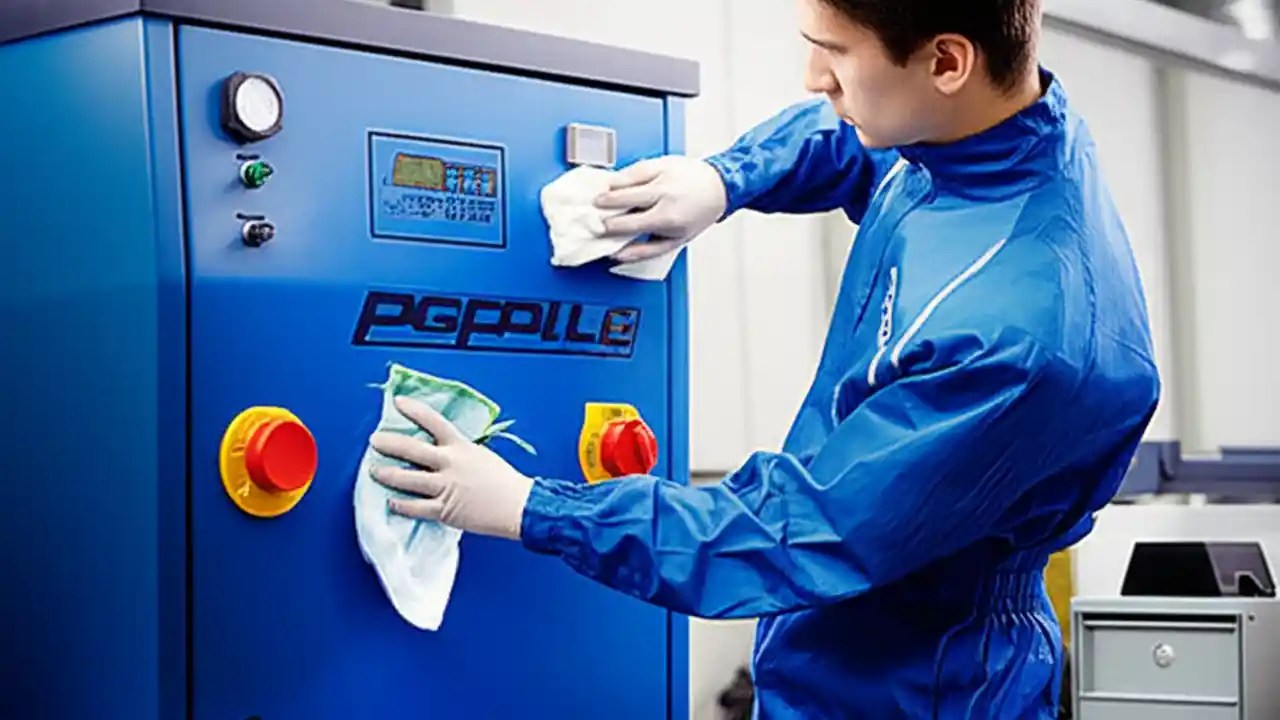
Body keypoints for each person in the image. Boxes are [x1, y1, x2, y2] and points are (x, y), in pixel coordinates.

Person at [368, 0, 1162, 716]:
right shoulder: (986, 136)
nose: (813, 76)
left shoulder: (1018, 340)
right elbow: (858, 149)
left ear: (947, 61)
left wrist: (532, 508)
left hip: (923, 688)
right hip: (833, 654)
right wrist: (723, 181)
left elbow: (800, 530)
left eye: (836, 54)